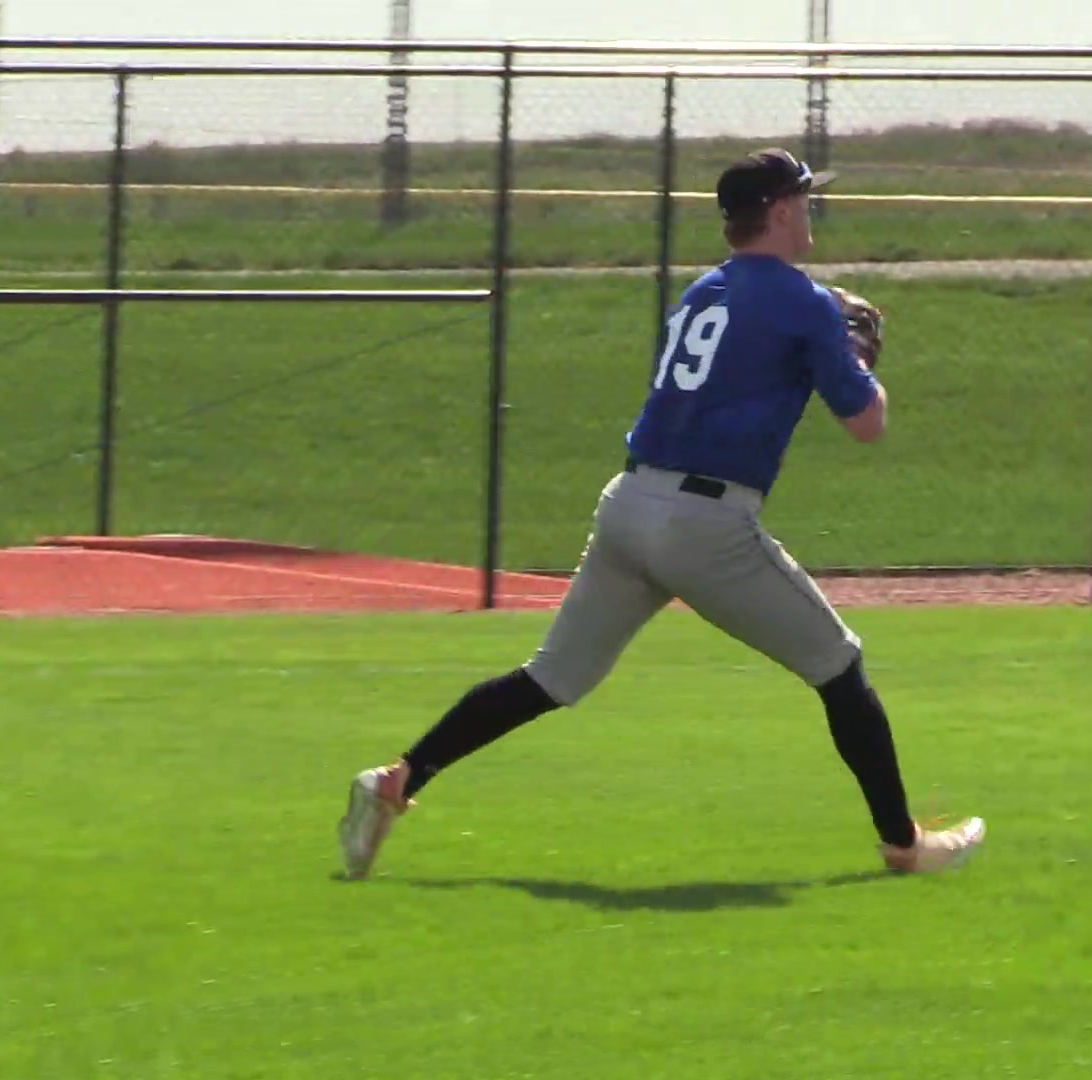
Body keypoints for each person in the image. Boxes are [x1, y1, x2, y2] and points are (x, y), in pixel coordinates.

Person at [338, 148, 985, 881]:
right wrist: (857, 360)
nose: (811, 212)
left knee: (550, 677)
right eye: (804, 200)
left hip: (629, 503)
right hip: (704, 523)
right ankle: (905, 846)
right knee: (839, 665)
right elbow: (867, 423)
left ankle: (396, 779)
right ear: (778, 211)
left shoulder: (704, 292)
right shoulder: (802, 300)